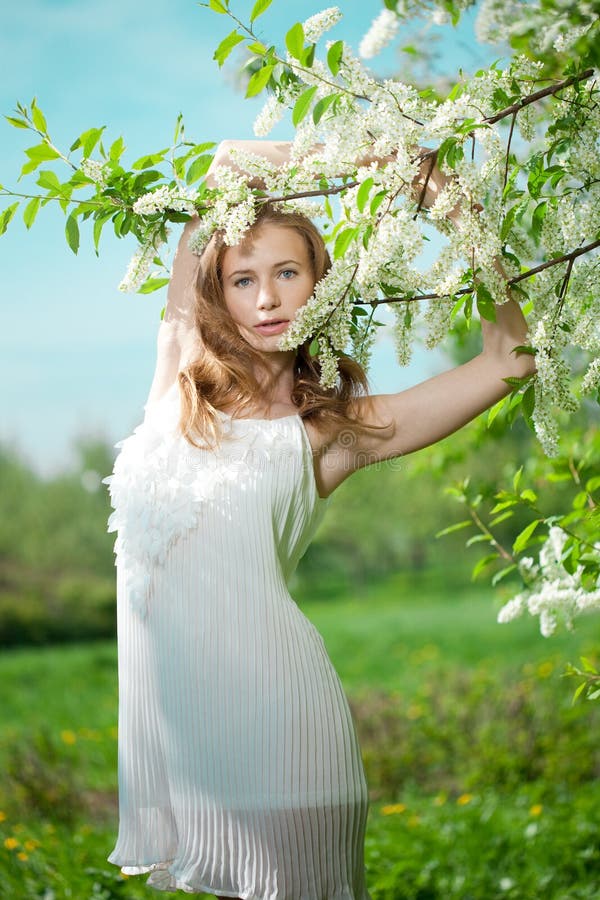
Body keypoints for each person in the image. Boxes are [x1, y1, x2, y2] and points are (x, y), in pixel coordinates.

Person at [104, 139, 535, 897]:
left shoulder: (329, 432)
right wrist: (368, 152)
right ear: (218, 291)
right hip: (189, 748)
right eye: (244, 278)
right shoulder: (177, 364)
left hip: (286, 735)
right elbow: (229, 163)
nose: (266, 299)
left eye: (287, 274)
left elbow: (511, 358)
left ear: (319, 288)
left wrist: (449, 201)